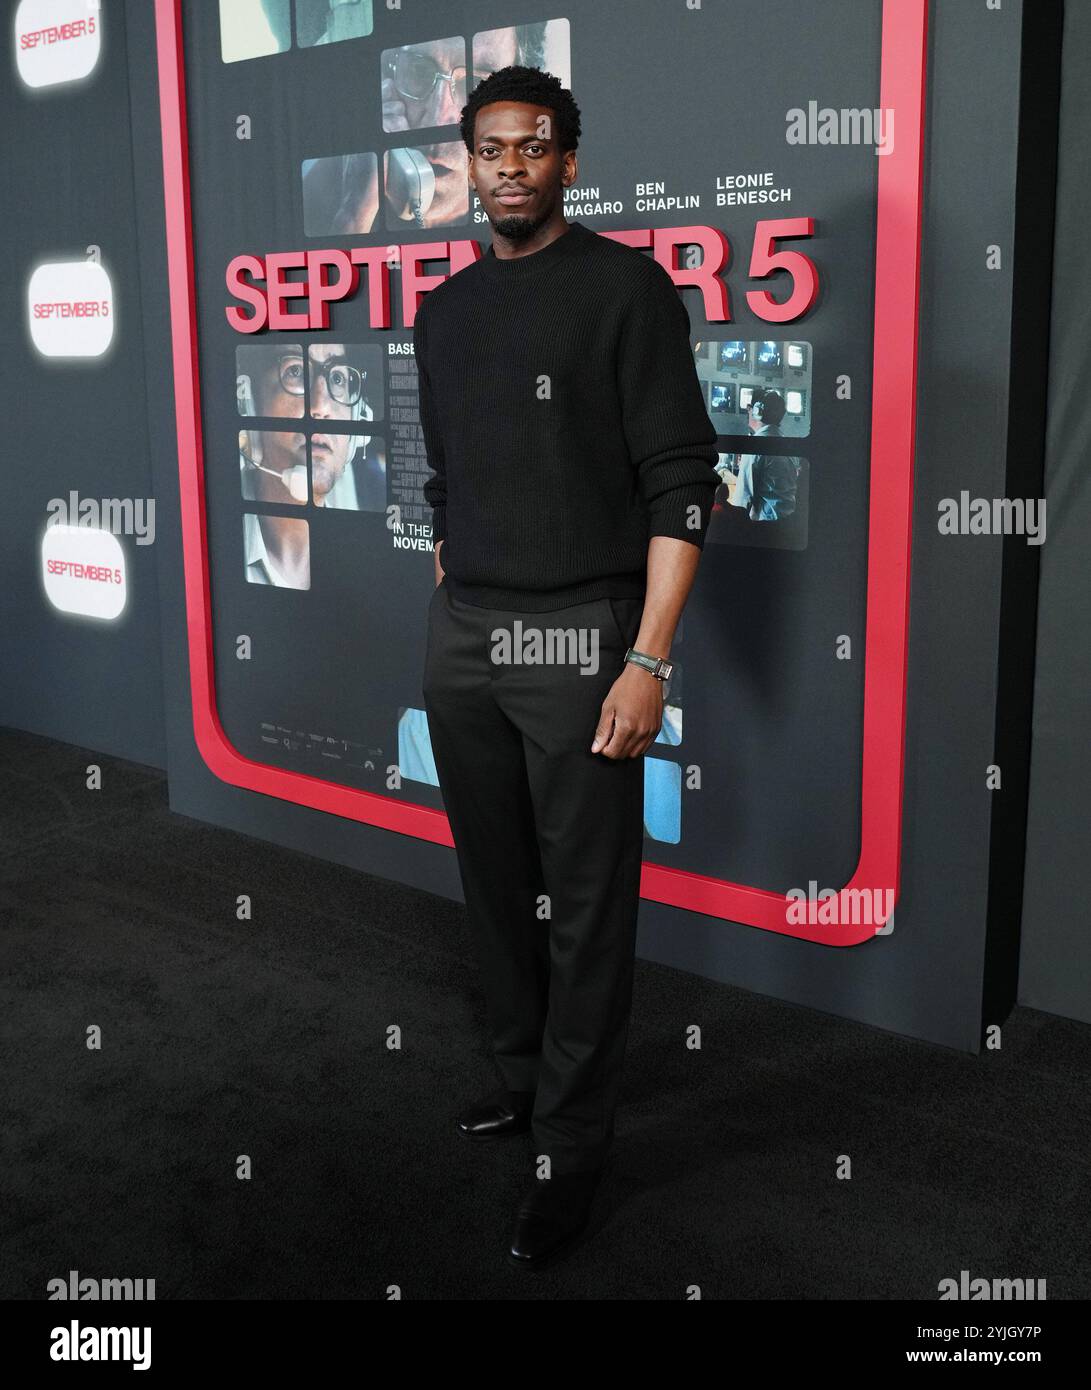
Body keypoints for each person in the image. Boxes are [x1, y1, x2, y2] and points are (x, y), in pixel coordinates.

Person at [414, 65, 719, 1270]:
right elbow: (447, 480)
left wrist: (646, 655)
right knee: (495, 884)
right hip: (464, 636)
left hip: (585, 639)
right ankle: (515, 1079)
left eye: (531, 148)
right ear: (469, 162)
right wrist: (454, 599)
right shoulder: (442, 312)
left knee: (585, 909)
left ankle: (569, 1149)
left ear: (568, 161)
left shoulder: (625, 293)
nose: (508, 167)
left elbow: (680, 486)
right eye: (488, 148)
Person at [730, 388, 802, 521]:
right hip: (788, 520)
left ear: (756, 411)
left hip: (765, 524)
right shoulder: (786, 443)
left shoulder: (755, 445)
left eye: (749, 408)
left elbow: (742, 501)